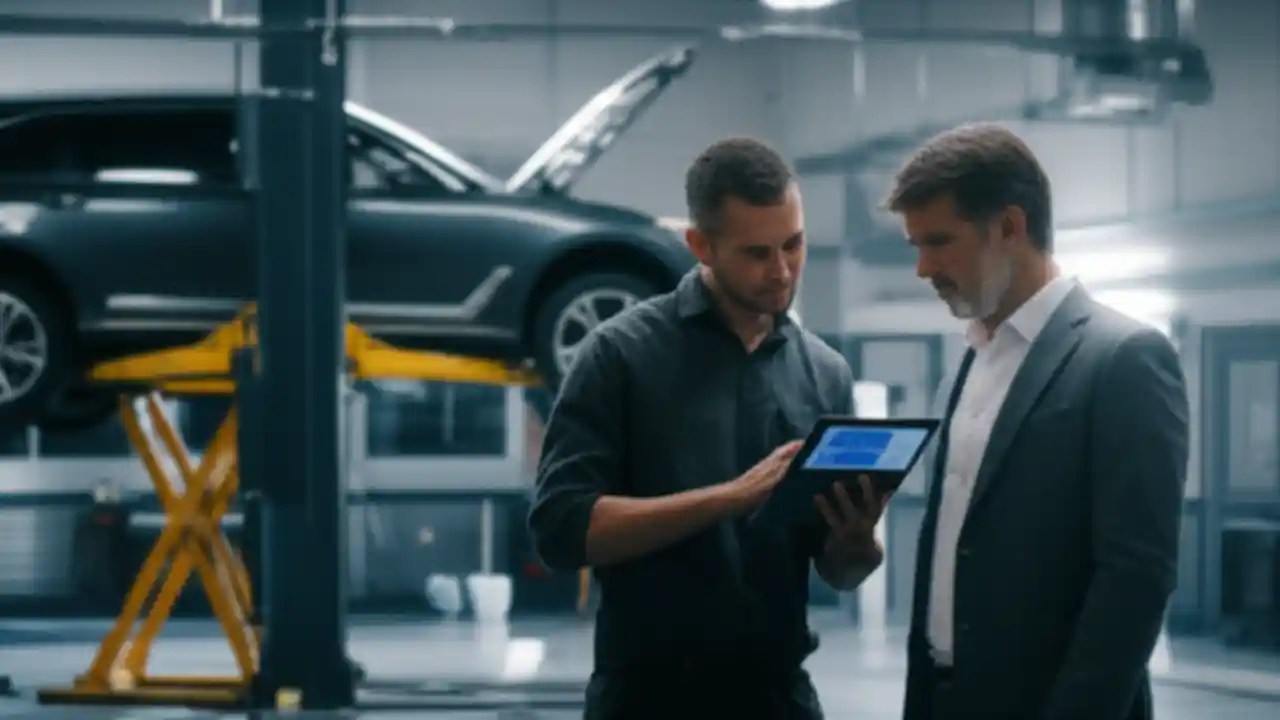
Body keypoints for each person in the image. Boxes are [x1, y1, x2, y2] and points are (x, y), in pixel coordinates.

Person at [528, 137, 888, 719]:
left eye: (793, 245)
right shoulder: (619, 356)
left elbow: (838, 572)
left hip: (779, 698)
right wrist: (729, 498)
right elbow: (561, 530)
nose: (781, 271)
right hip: (649, 701)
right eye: (756, 253)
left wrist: (856, 544)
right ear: (701, 245)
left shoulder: (824, 372)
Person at [884, 123, 1190, 720]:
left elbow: (1136, 578)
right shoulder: (969, 363)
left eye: (939, 242)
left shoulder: (1124, 358)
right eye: (915, 245)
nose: (923, 268)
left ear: (1010, 227)